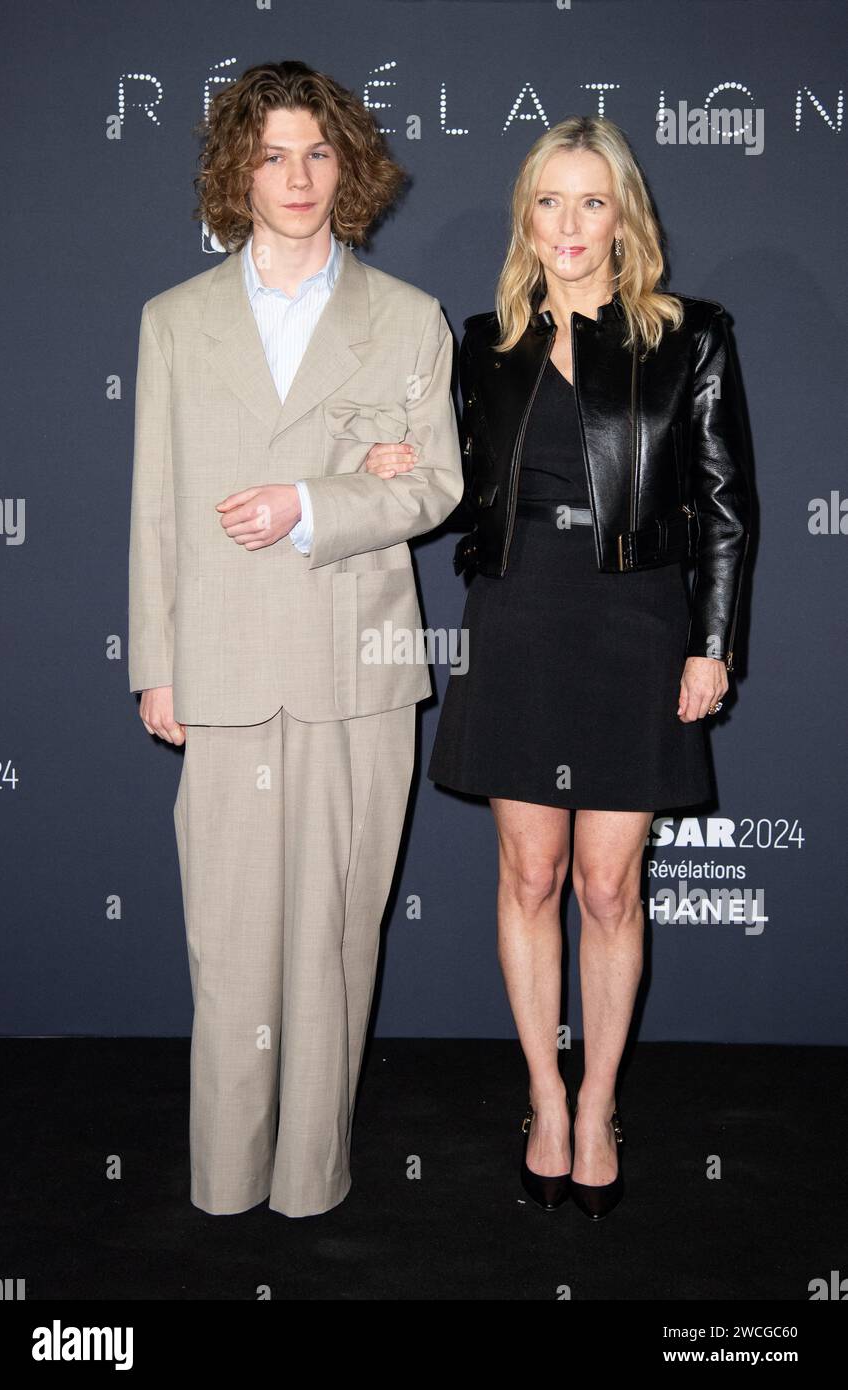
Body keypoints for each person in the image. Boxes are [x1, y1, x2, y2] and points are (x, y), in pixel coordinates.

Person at [127, 59, 462, 1218]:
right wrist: (154, 662)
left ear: (349, 168)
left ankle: (311, 1181)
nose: (297, 176)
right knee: (228, 946)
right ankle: (222, 1180)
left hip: (353, 674)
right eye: (271, 153)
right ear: (236, 169)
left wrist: (313, 502)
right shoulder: (172, 322)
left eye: (318, 152)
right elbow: (156, 506)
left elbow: (435, 488)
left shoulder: (409, 321)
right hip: (216, 668)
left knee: (332, 948)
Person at [421, 115, 752, 1220]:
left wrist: (710, 644)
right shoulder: (484, 340)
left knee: (609, 886)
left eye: (591, 201)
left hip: (635, 627)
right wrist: (395, 460)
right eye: (548, 202)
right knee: (529, 878)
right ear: (527, 215)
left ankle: (599, 1100)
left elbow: (720, 506)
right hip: (517, 619)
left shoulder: (689, 336)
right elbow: (453, 488)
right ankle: (543, 1098)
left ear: (623, 215)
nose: (568, 225)